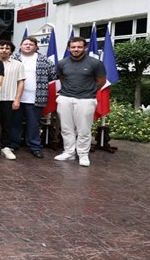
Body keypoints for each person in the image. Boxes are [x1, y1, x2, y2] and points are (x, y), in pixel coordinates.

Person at [54, 37, 106, 167]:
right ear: (68, 48)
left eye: (79, 47)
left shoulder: (95, 63)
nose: (76, 49)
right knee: (66, 128)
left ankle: (83, 155)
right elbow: (62, 78)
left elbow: (101, 81)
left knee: (84, 129)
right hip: (65, 98)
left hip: (86, 99)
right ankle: (69, 152)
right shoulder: (62, 63)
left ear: (85, 48)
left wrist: (89, 91)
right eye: (73, 47)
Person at [11, 37, 56, 159]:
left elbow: (53, 75)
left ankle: (35, 146)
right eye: (25, 44)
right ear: (20, 46)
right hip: (15, 97)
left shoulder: (43, 60)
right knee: (15, 122)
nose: (28, 46)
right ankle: (13, 144)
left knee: (34, 123)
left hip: (36, 97)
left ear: (36, 47)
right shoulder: (13, 58)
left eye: (31, 44)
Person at [0, 40, 25, 160]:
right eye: (1, 48)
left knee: (7, 124)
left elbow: (21, 82)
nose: (4, 50)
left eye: (7, 48)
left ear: (11, 51)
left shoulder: (18, 64)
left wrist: (17, 100)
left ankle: (5, 147)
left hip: (9, 98)